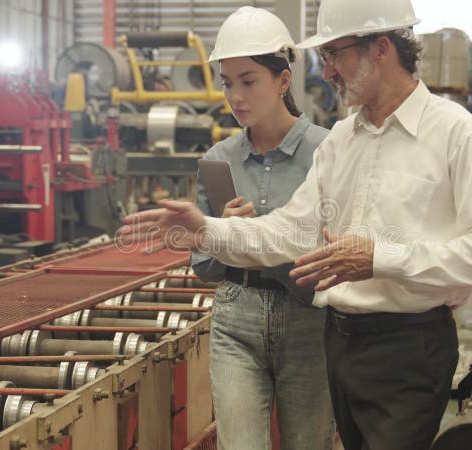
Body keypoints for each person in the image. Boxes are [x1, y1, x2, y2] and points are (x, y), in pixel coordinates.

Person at [118, 0, 472, 448]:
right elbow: (289, 230)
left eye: (334, 55)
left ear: (380, 48)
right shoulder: (343, 140)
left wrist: (379, 259)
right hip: (339, 342)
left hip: (409, 347)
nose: (326, 72)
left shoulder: (456, 135)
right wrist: (207, 230)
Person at [190, 7, 334, 450]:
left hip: (308, 321)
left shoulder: (327, 152)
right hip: (236, 318)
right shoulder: (219, 159)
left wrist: (266, 242)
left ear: (283, 80)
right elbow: (201, 264)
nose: (235, 97)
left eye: (248, 81)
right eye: (227, 82)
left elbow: (340, 251)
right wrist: (223, 236)